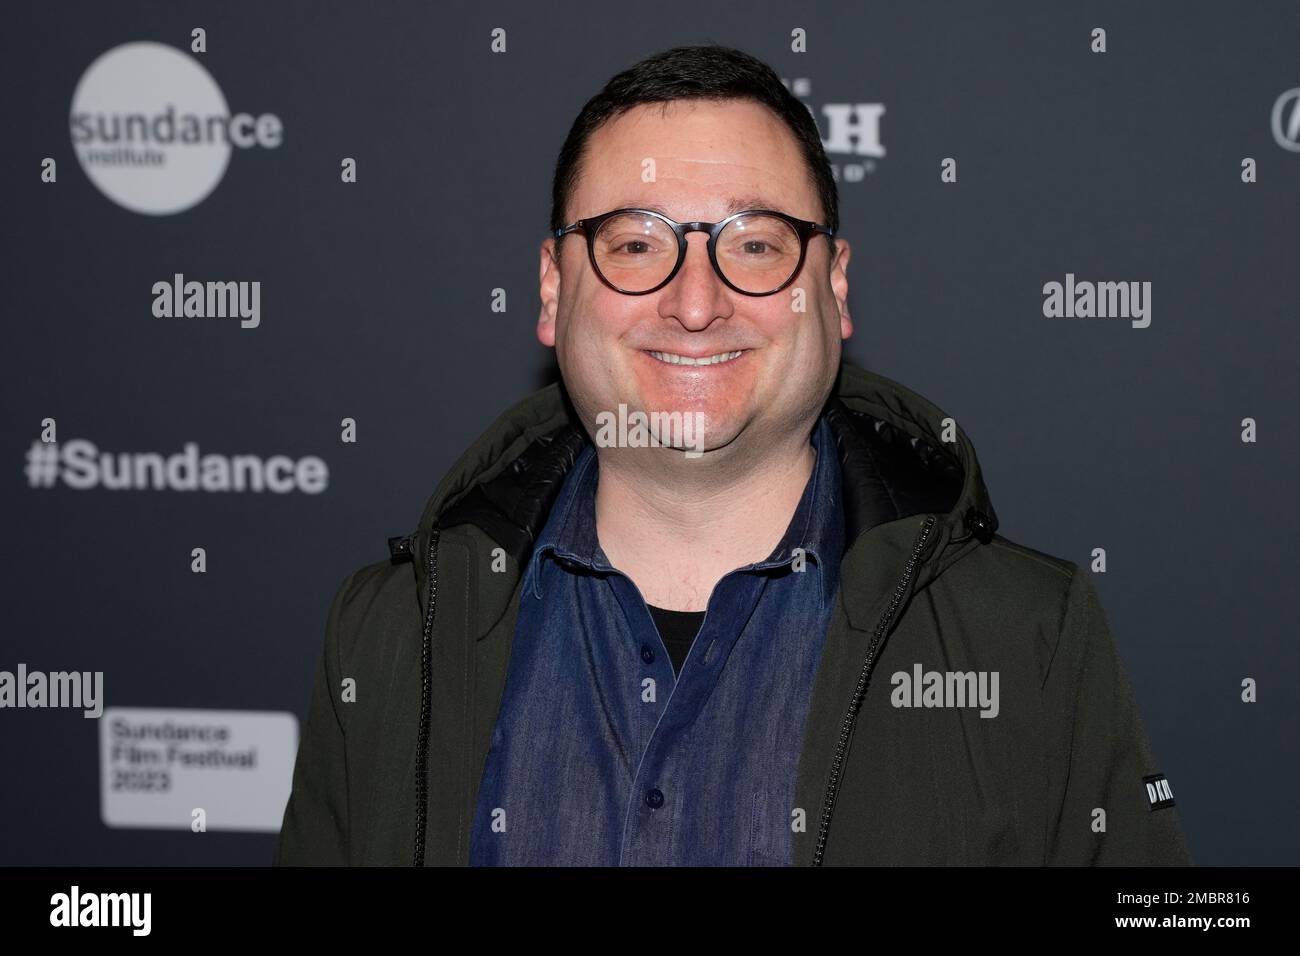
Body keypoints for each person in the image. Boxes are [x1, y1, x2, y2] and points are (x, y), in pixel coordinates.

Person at [274, 44, 1191, 866]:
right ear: (552, 290)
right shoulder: (393, 634)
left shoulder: (1029, 636)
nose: (698, 300)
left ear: (834, 288)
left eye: (756, 246)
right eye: (636, 244)